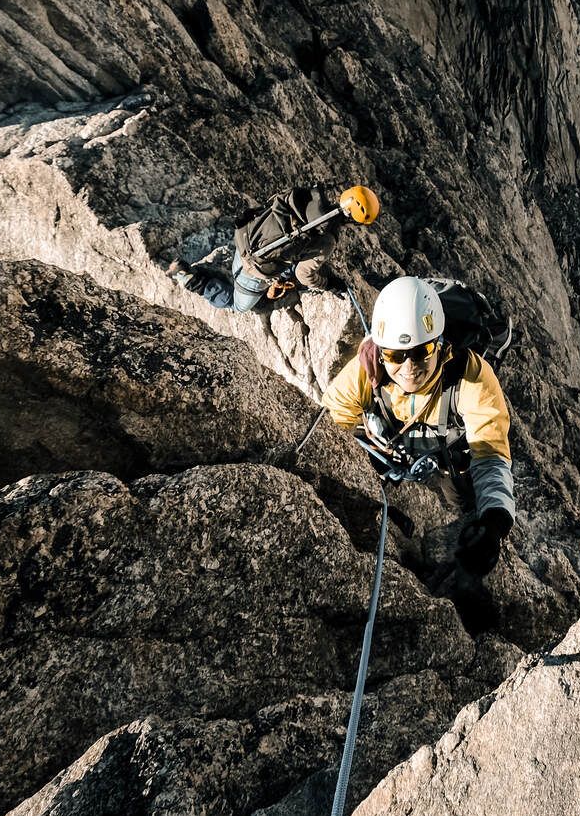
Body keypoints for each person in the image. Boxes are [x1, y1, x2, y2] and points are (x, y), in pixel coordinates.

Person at [321, 276, 516, 585]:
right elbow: (330, 433)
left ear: (439, 344)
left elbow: (490, 454)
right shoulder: (365, 371)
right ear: (382, 351)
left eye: (422, 350)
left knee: (463, 502)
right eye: (397, 355)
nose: (409, 366)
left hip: (447, 456)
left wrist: (493, 522)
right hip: (392, 445)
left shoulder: (472, 376)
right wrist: (367, 496)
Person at [170, 184, 379, 311]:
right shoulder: (327, 239)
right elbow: (304, 274)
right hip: (255, 269)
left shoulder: (310, 196)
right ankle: (192, 281)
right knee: (237, 305)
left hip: (245, 239)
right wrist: (327, 284)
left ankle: (209, 271)